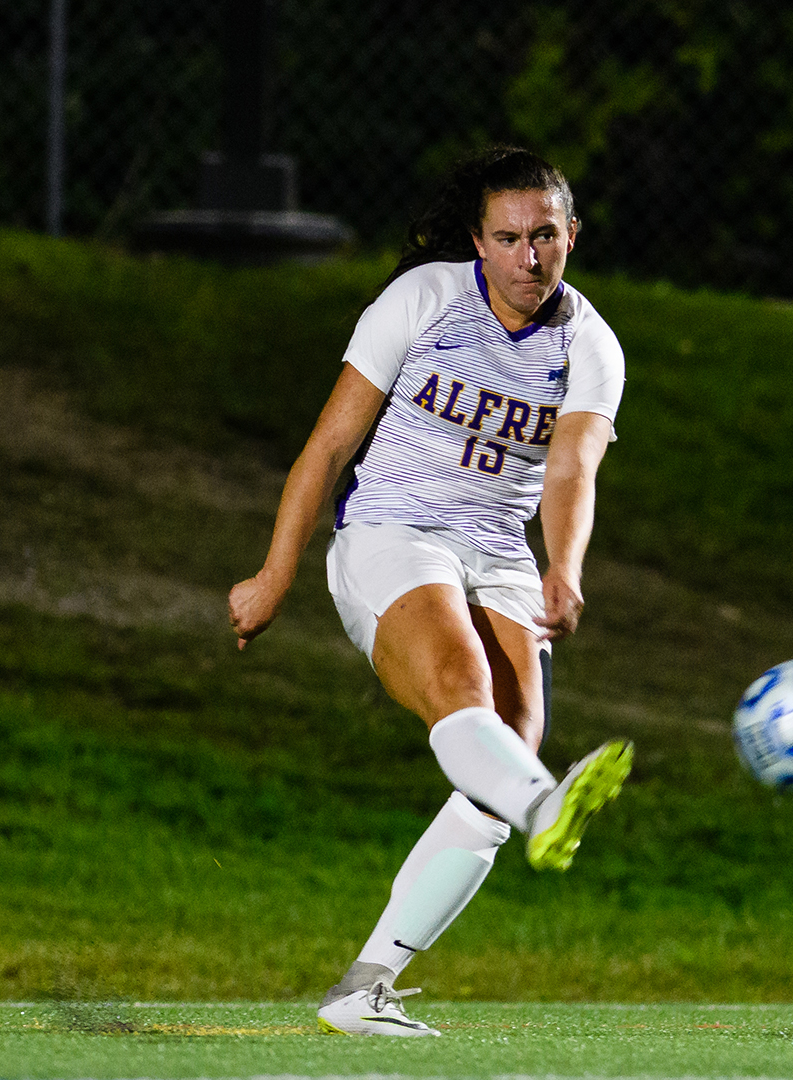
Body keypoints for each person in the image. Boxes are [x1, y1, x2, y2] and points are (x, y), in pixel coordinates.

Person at [227, 146, 632, 1037]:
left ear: (573, 234)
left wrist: (563, 569)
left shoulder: (590, 346)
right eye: (509, 237)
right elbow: (331, 445)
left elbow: (571, 468)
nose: (530, 257)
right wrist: (274, 573)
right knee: (464, 692)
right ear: (478, 242)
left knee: (502, 756)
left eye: (546, 236)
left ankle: (364, 988)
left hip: (498, 553)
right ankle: (547, 805)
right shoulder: (421, 302)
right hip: (391, 533)